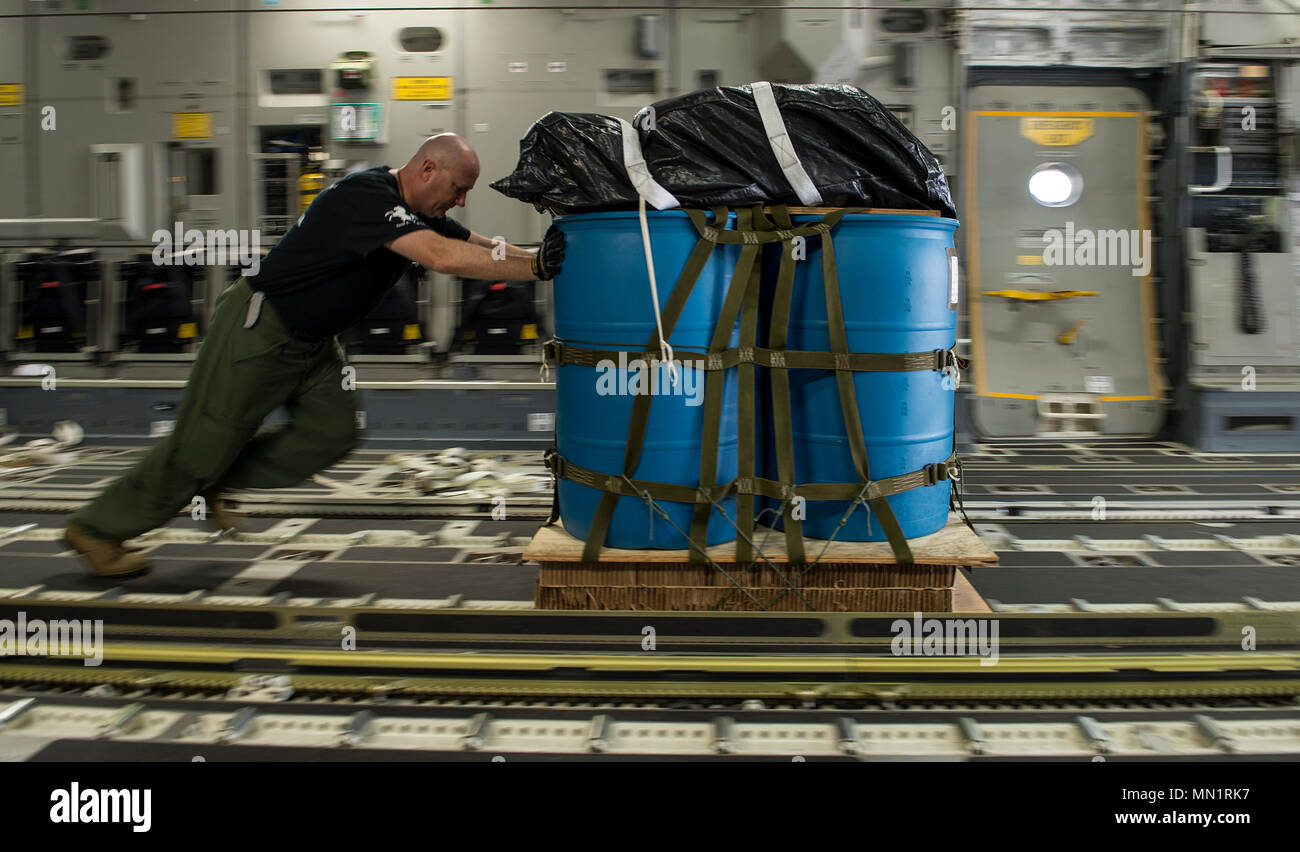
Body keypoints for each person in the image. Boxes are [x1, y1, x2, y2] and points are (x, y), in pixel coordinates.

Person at [65, 133, 565, 577]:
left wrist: (539, 257)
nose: (458, 202)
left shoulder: (422, 211)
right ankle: (97, 530)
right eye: (457, 189)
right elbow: (442, 257)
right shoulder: (368, 195)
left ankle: (213, 477)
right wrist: (535, 269)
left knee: (333, 430)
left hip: (315, 343)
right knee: (198, 445)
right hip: (260, 327)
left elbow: (480, 245)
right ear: (427, 169)